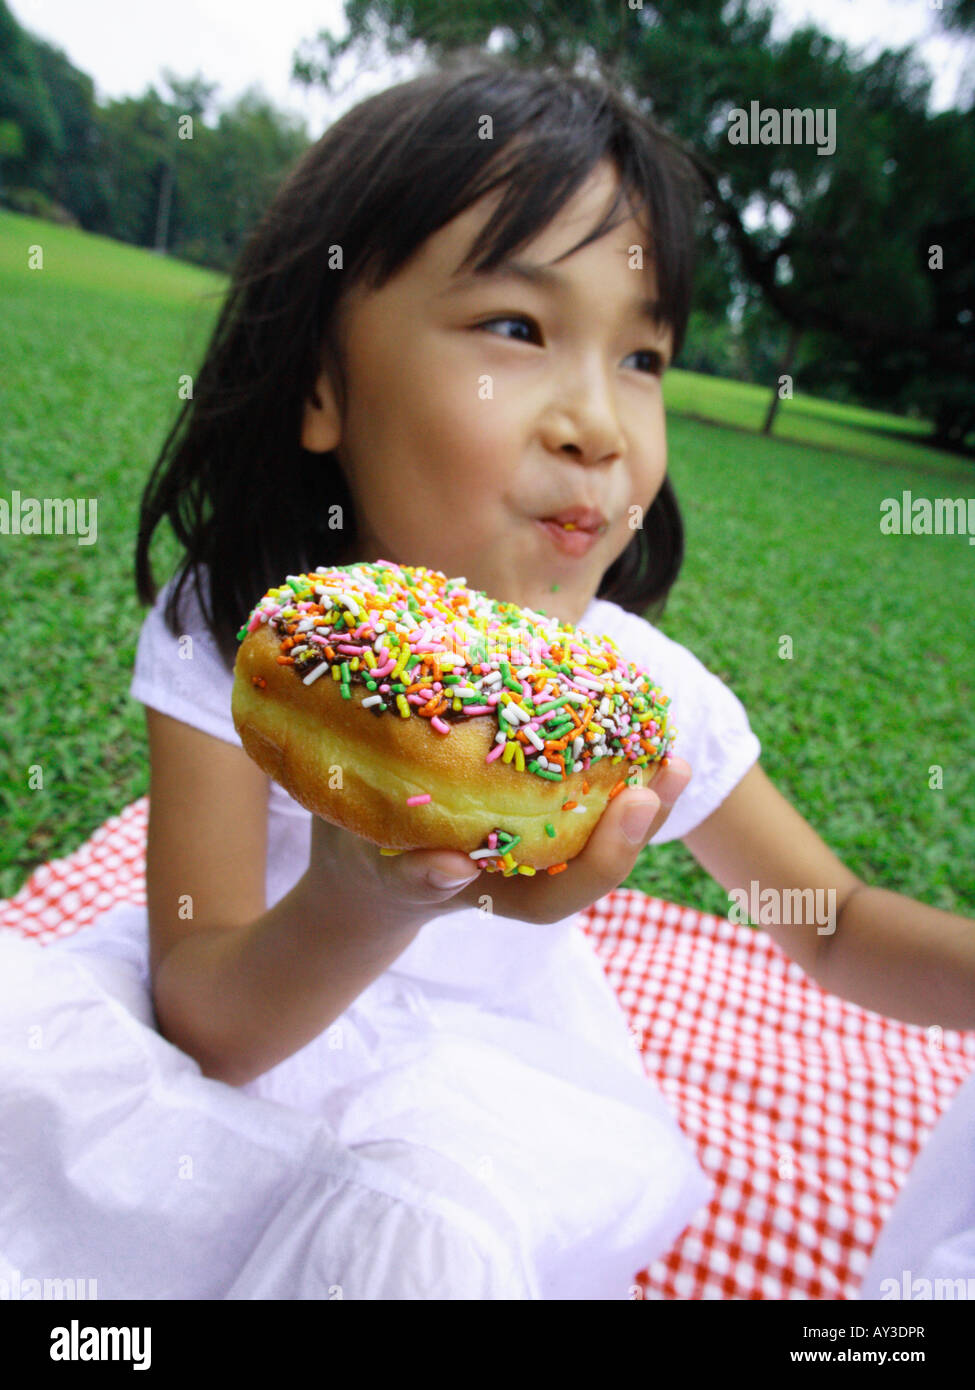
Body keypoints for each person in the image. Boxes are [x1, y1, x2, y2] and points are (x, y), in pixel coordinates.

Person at [1, 53, 973, 1302]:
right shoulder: (246, 635)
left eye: (643, 358)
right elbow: (202, 1015)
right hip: (235, 1045)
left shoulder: (629, 694)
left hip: (484, 1102)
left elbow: (829, 926)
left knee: (415, 1224)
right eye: (518, 328)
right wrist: (372, 891)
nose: (600, 425)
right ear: (318, 386)